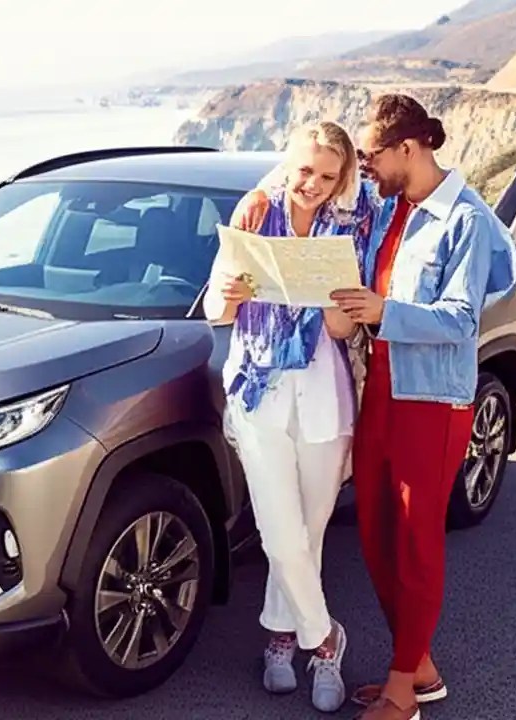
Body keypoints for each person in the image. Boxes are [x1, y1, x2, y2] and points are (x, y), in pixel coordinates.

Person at [328, 94, 516, 720]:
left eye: (373, 155)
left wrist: (386, 313)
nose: (367, 168)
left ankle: (403, 689)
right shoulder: (392, 212)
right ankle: (420, 664)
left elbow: (462, 319)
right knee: (377, 537)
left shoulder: (463, 218)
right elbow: (308, 180)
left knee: (416, 542)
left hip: (433, 399)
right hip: (382, 389)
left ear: (409, 148)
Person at [204, 121, 379, 713]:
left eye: (329, 176)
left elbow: (344, 329)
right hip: (258, 393)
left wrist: (334, 302)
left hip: (324, 397)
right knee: (280, 536)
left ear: (342, 178)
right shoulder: (253, 215)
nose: (314, 185)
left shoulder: (348, 226)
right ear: (289, 163)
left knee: (308, 531)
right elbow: (216, 311)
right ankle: (325, 640)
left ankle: (282, 638)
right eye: (306, 170)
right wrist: (228, 292)